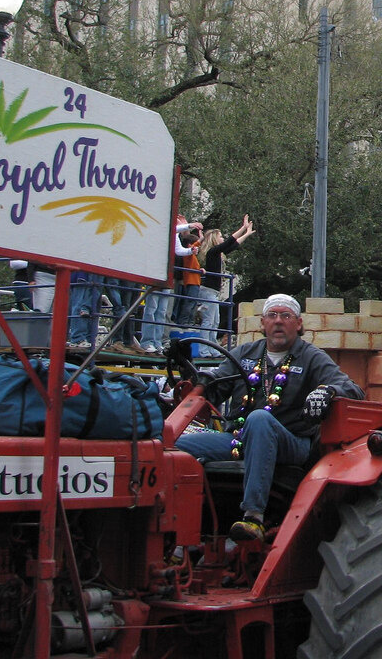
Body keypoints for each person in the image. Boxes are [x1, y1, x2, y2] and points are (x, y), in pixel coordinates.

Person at [175, 293, 364, 541]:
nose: (278, 321)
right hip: (238, 439)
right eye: (272, 315)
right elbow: (214, 388)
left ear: (298, 324)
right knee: (172, 445)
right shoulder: (244, 353)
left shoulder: (311, 357)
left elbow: (353, 390)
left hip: (291, 442)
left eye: (285, 316)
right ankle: (182, 534)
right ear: (262, 323)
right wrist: (190, 377)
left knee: (259, 419)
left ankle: (253, 516)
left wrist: (328, 391)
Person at [138, 218, 202, 354]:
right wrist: (190, 225)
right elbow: (171, 228)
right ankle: (147, 342)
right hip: (154, 273)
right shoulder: (162, 227)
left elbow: (179, 250)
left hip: (167, 274)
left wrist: (191, 251)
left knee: (161, 311)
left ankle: (157, 341)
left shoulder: (174, 236)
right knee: (151, 309)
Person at [198, 215, 256, 340]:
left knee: (214, 321)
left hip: (214, 292)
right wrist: (243, 228)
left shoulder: (218, 254)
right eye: (220, 236)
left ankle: (212, 348)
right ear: (214, 239)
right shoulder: (212, 252)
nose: (222, 238)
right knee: (209, 321)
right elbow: (229, 241)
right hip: (208, 291)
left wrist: (247, 234)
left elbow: (233, 245)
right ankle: (204, 348)